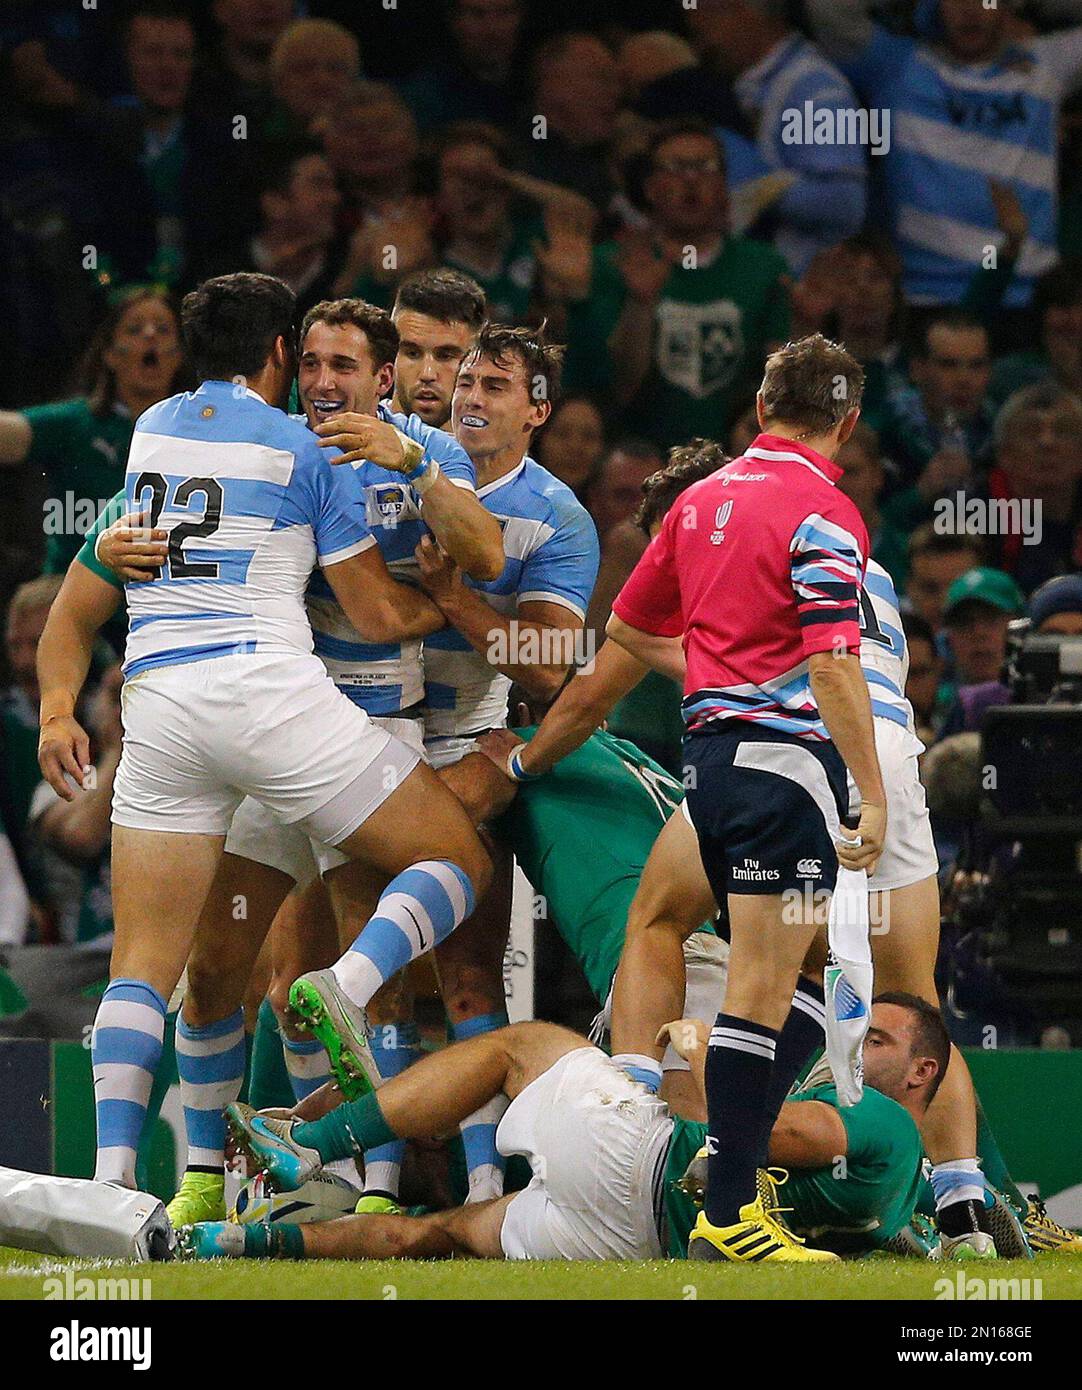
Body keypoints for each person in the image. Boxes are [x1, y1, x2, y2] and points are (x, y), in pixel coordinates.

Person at [36, 272, 493, 1193]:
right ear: (281, 354)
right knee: (459, 862)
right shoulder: (302, 450)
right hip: (273, 697)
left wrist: (55, 712)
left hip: (158, 705)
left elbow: (79, 604)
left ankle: (114, 1186)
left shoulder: (149, 433)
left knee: (143, 966)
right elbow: (368, 612)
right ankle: (350, 988)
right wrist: (442, 607)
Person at [605, 333, 884, 1263]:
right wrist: (872, 794)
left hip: (713, 771)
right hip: (790, 774)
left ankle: (724, 1168)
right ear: (846, 421)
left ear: (761, 409)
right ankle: (729, 1209)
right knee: (763, 991)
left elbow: (628, 624)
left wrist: (716, 684)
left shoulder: (697, 501)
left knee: (794, 973)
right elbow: (833, 663)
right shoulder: (826, 511)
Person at [183, 995, 941, 1263]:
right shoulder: (903, 1190)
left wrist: (709, 1055)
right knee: (438, 1234)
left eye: (876, 1041)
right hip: (624, 1245)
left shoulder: (878, 1120)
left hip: (629, 1158)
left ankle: (309, 1146)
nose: (853, 1046)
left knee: (517, 1047)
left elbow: (761, 1139)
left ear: (921, 1076)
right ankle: (243, 1242)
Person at [805, 0, 1082, 308]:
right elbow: (829, 11)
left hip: (1029, 299)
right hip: (927, 299)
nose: (970, 10)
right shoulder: (896, 66)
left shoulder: (1044, 65)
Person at [562, 119, 791, 449]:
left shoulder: (763, 265)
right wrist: (639, 305)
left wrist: (807, 322)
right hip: (639, 457)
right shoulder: (614, 263)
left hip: (736, 458)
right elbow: (614, 387)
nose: (691, 180)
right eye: (676, 167)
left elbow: (780, 382)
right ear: (651, 187)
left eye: (705, 167)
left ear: (724, 185)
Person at [0, 288, 184, 578]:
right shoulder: (77, 423)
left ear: (180, 354)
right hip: (70, 591)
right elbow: (9, 434)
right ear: (110, 354)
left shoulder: (196, 428)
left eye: (163, 329)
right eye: (135, 329)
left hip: (163, 596)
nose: (151, 336)